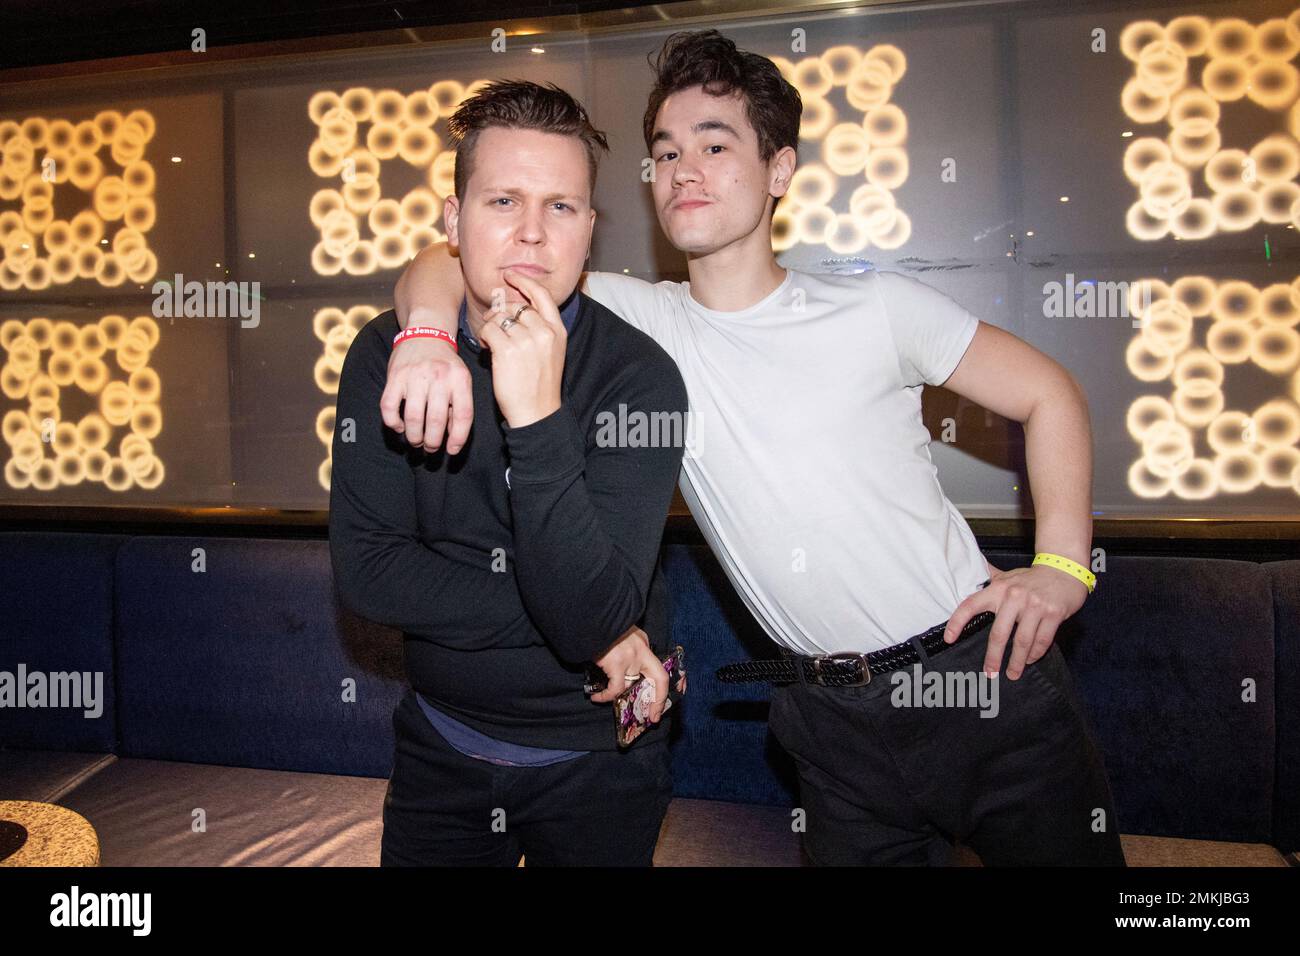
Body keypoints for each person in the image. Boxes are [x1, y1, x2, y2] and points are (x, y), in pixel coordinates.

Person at [381, 32, 1125, 866]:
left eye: (714, 144)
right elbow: (460, 257)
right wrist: (422, 335)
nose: (683, 169)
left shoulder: (877, 307)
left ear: (779, 171)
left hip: (981, 679)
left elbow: (1049, 392)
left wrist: (1063, 567)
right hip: (827, 726)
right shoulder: (642, 324)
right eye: (665, 152)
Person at [328, 79, 688, 866]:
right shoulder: (391, 357)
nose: (531, 235)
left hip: (601, 763)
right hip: (439, 749)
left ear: (590, 231)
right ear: (453, 221)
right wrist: (598, 631)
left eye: (561, 207)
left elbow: (591, 611)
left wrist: (536, 418)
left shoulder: (640, 379)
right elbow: (373, 576)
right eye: (502, 203)